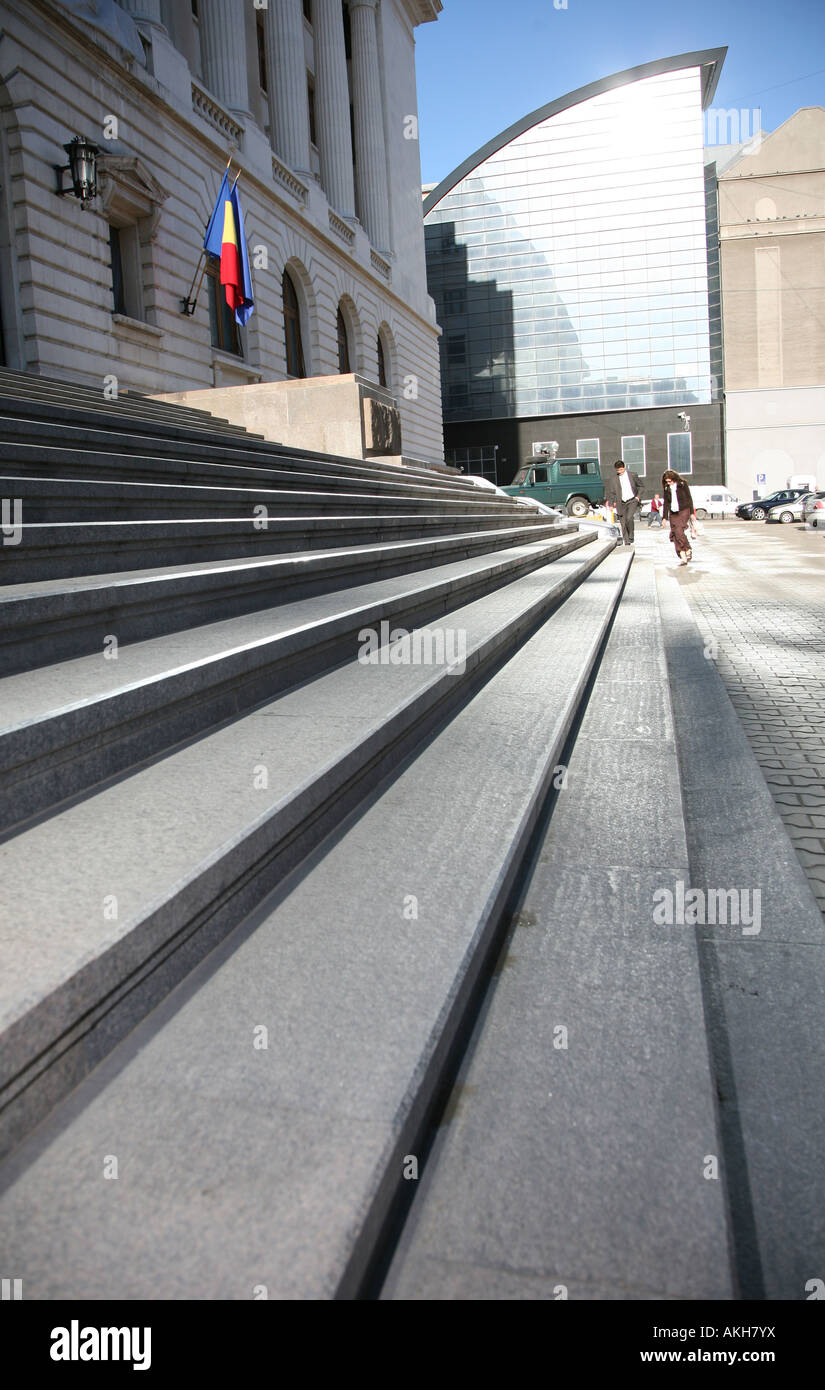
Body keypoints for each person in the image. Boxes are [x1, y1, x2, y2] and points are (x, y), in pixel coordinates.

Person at [605, 459, 643, 545]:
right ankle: (627, 541)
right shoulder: (614, 479)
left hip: (632, 500)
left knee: (629, 518)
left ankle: (631, 535)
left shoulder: (632, 475)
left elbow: (641, 486)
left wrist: (638, 497)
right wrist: (611, 504)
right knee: (623, 522)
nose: (620, 471)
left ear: (624, 467)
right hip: (621, 502)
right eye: (618, 470)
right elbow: (611, 492)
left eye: (621, 469)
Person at [661, 469, 695, 564]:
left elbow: (689, 498)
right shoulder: (667, 488)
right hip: (673, 513)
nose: (668, 483)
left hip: (684, 510)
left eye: (670, 481)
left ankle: (687, 549)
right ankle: (683, 556)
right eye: (666, 481)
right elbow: (666, 503)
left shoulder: (683, 484)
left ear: (674, 479)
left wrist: (692, 513)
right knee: (675, 534)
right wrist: (664, 518)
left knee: (679, 530)